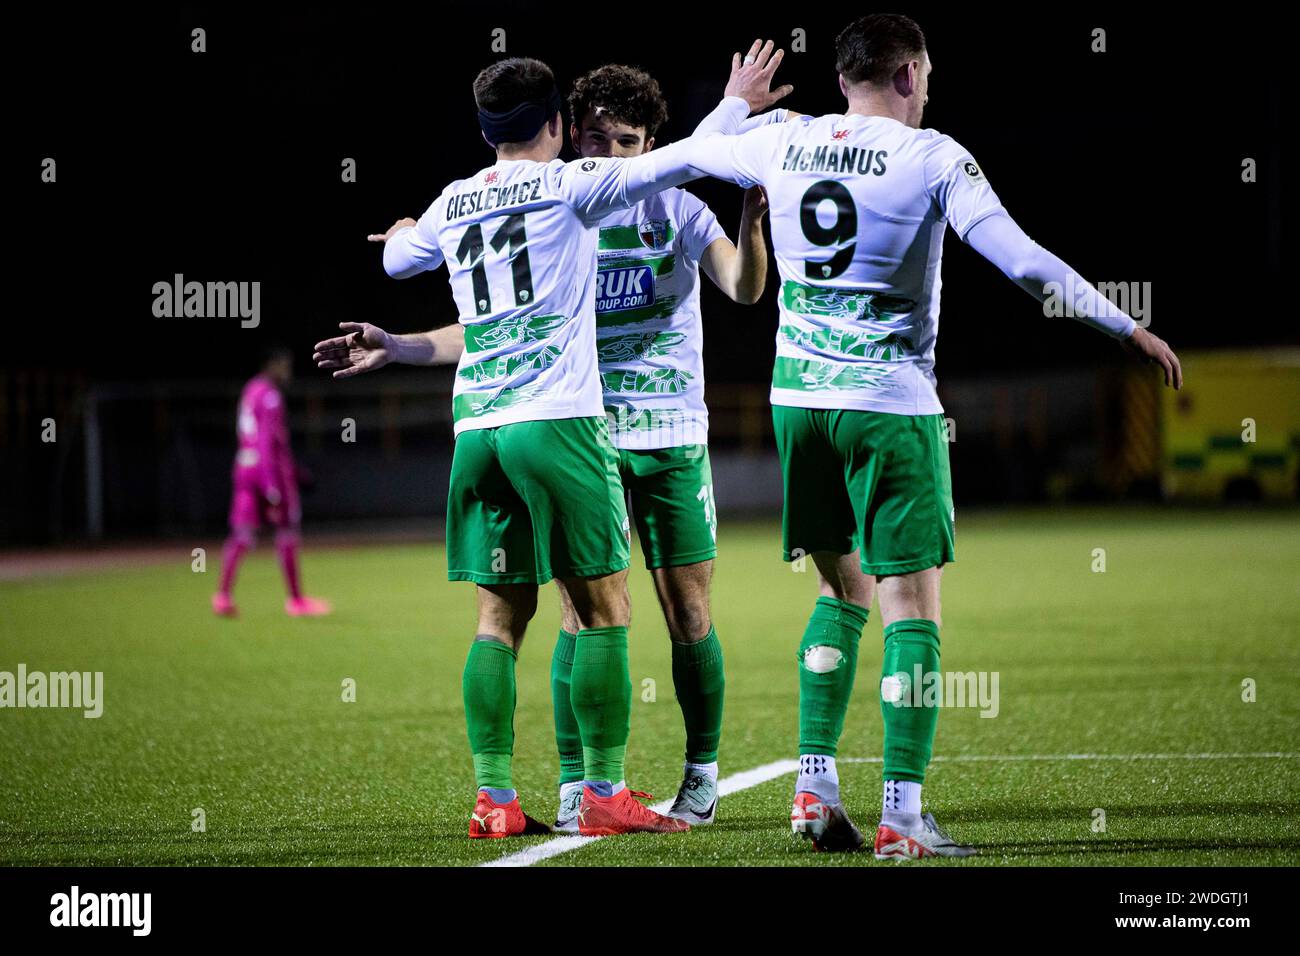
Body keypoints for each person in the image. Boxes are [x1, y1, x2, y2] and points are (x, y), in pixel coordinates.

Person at [678, 14, 1182, 856]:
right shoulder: (935, 156)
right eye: (929, 74)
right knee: (911, 608)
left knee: (840, 596)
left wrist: (732, 104)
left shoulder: (781, 138)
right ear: (908, 73)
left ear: (842, 78)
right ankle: (903, 816)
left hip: (799, 401)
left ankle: (813, 786)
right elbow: (1022, 261)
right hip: (889, 403)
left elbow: (690, 153)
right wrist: (1123, 326)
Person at [324, 49, 788, 838]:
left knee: (667, 614)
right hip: (574, 427)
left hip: (594, 427)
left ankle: (546, 792)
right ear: (563, 131)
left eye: (626, 142)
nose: (609, 155)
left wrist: (406, 246)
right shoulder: (571, 193)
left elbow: (410, 261)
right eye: (595, 138)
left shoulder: (486, 199)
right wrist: (737, 111)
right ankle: (590, 786)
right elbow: (696, 152)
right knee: (593, 614)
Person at [213, 346, 332, 618]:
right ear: (273, 364)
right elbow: (268, 442)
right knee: (287, 531)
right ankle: (296, 601)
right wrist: (273, 486)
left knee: (242, 534)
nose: (288, 371)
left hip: (244, 465)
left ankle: (223, 596)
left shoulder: (250, 390)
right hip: (269, 471)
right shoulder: (271, 397)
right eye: (285, 365)